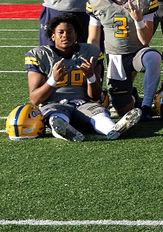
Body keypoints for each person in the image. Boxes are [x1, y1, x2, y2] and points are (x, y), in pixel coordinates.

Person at [25, 13, 143, 142]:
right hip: (53, 105)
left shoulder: (90, 53)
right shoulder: (40, 55)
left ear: (76, 34)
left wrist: (91, 77)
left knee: (100, 114)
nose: (65, 35)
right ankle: (65, 131)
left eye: (70, 31)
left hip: (83, 103)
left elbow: (95, 97)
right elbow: (35, 99)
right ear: (53, 35)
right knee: (56, 117)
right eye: (61, 32)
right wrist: (53, 79)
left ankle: (113, 130)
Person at [86, 0, 163, 115]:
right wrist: (93, 61)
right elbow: (93, 38)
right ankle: (132, 96)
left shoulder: (144, 0)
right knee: (122, 108)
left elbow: (145, 41)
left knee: (153, 56)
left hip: (137, 53)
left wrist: (139, 21)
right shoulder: (97, 2)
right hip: (115, 57)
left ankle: (146, 106)